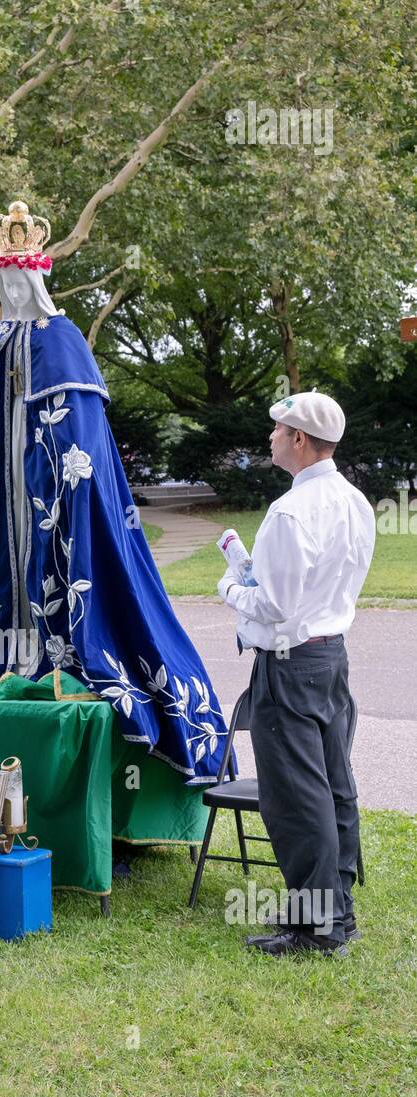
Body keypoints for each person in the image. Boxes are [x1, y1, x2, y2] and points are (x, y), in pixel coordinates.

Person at [0, 199, 228, 786]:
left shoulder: (64, 343)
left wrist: (58, 479)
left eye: (16, 280)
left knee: (70, 571)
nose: (10, 293)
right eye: (2, 282)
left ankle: (61, 652)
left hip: (51, 490)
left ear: (34, 278)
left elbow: (81, 440)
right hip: (0, 505)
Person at [217, 390, 376, 956]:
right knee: (335, 786)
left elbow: (276, 604)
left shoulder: (290, 511)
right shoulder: (355, 501)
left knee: (294, 797)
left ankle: (316, 927)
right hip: (331, 656)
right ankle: (339, 908)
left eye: (278, 429)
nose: (271, 437)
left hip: (288, 663)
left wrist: (230, 587)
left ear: (300, 440)